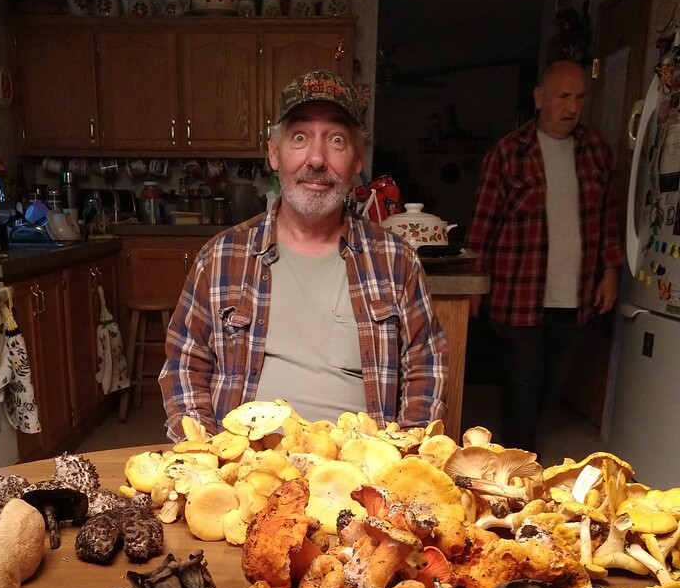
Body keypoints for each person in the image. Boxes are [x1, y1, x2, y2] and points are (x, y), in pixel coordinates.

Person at [159, 69, 448, 442]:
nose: (316, 158)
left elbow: (426, 370)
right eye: (299, 137)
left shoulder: (398, 261)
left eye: (337, 140)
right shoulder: (219, 258)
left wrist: (404, 459)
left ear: (357, 159)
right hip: (245, 465)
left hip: (362, 466)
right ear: (274, 152)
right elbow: (184, 366)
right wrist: (206, 454)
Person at [463, 59, 622, 453]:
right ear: (539, 97)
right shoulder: (508, 152)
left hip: (576, 295)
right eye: (563, 96)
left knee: (554, 383)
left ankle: (520, 437)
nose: (572, 107)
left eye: (579, 98)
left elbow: (608, 216)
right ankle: (520, 457)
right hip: (517, 294)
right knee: (524, 380)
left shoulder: (596, 150)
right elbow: (482, 222)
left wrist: (610, 271)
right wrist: (474, 283)